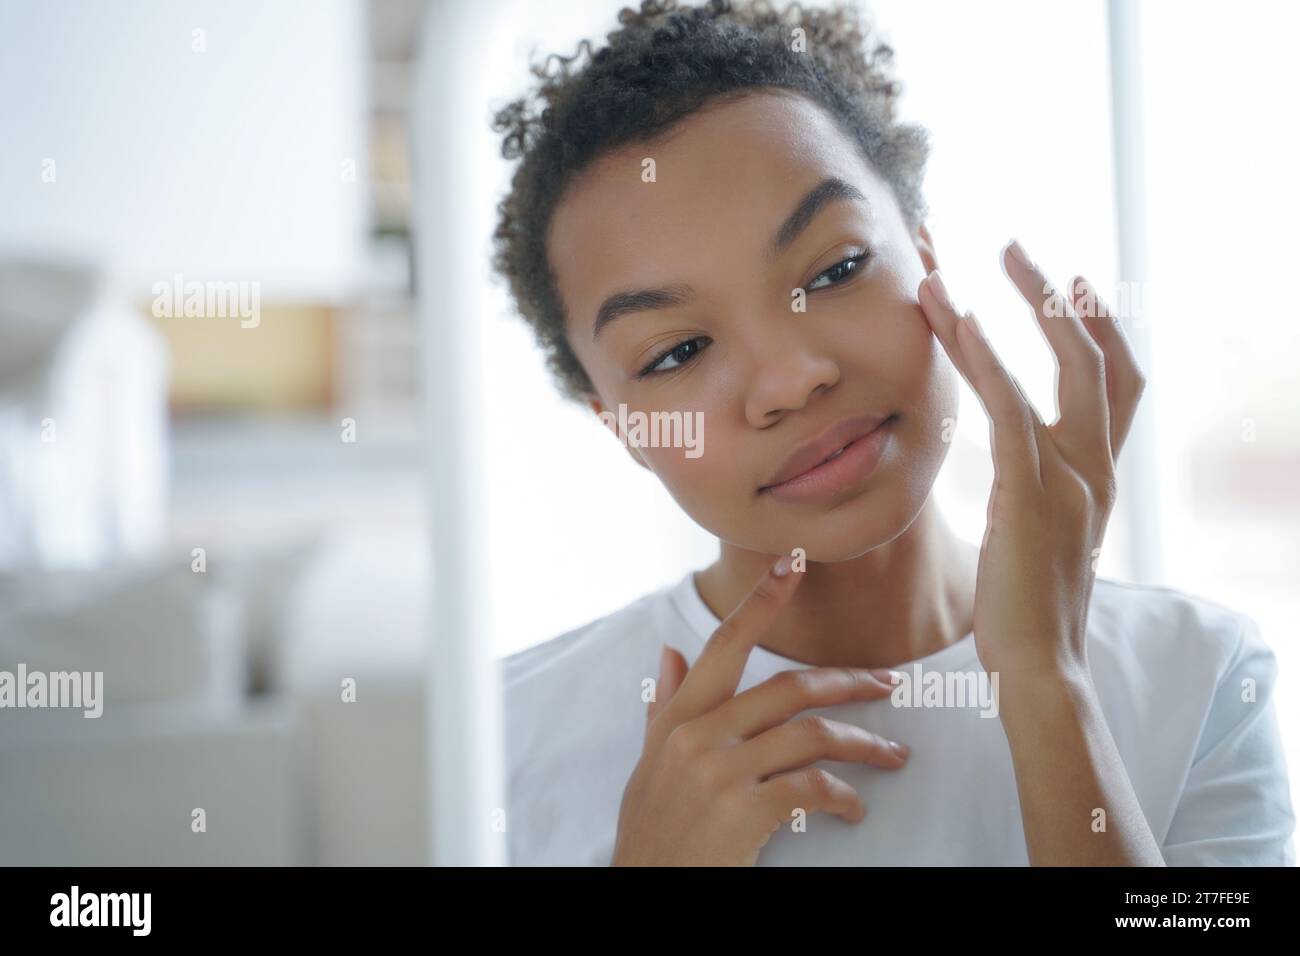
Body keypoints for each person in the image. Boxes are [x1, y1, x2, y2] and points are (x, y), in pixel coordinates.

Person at [489, 0, 1295, 865]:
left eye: (835, 269)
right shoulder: (503, 747)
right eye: (679, 350)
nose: (793, 379)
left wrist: (1046, 681)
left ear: (927, 256)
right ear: (620, 428)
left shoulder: (1203, 678)